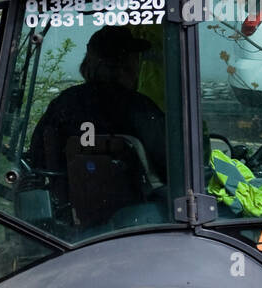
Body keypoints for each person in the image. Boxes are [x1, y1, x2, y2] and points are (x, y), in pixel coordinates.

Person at [27, 25, 167, 182]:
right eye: (135, 58)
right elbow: (170, 165)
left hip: (68, 203)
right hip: (138, 204)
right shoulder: (141, 109)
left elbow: (38, 157)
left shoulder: (62, 104)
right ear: (124, 65)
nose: (138, 65)